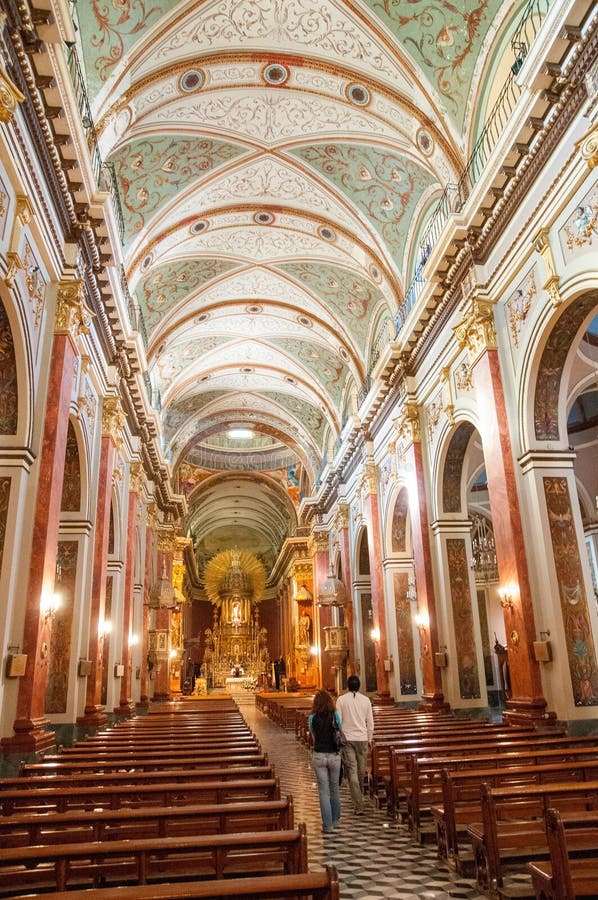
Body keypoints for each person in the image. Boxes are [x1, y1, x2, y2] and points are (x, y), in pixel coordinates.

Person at [335, 674, 374, 815]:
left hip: (348, 739)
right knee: (360, 771)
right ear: (359, 685)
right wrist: (369, 738)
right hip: (362, 739)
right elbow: (370, 722)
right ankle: (359, 802)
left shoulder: (341, 700)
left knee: (353, 771)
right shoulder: (366, 700)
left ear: (347, 685)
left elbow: (338, 721)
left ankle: (358, 802)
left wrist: (340, 736)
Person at [308, 690, 342, 833]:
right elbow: (339, 732)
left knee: (323, 791)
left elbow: (314, 736)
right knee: (334, 789)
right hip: (334, 755)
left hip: (319, 755)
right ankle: (335, 820)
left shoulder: (312, 717)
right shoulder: (335, 715)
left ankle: (327, 825)